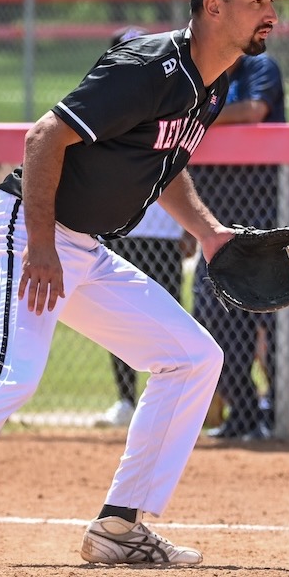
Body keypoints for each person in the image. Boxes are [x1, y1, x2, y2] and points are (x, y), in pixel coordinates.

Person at [0, 0, 289, 567]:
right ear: (213, 6)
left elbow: (164, 165)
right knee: (14, 369)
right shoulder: (148, 65)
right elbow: (45, 137)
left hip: (82, 246)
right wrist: (40, 246)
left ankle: (119, 528)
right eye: (259, 1)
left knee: (192, 357)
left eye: (272, 3)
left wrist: (209, 234)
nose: (271, 13)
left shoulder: (214, 83)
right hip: (24, 229)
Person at [190, 48, 289, 440]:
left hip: (271, 219)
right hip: (221, 224)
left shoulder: (260, 67)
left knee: (283, 324)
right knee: (218, 322)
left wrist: (196, 116)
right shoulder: (199, 77)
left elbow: (253, 110)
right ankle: (243, 415)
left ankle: (281, 416)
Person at [98, 27, 190, 428]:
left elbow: (180, 167)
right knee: (118, 322)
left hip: (163, 233)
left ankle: (164, 402)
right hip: (121, 232)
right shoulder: (102, 106)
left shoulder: (170, 102)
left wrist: (190, 226)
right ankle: (125, 400)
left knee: (166, 317)